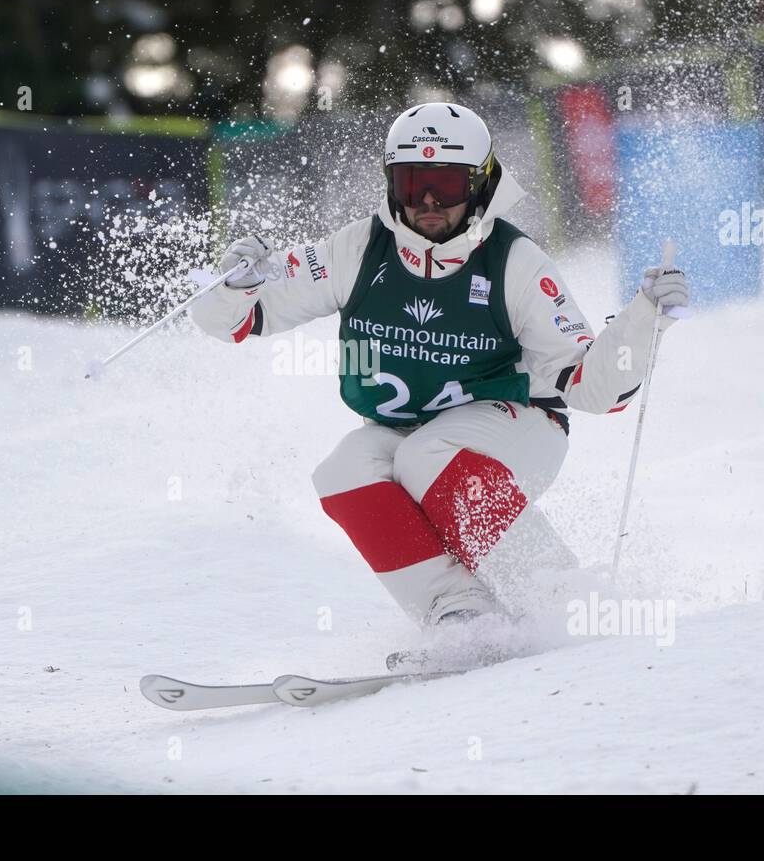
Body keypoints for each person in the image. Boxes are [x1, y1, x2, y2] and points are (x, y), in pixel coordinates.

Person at [191, 102, 687, 629]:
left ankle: (555, 597)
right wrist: (236, 288)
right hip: (405, 428)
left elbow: (593, 390)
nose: (428, 201)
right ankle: (458, 609)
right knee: (342, 473)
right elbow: (236, 321)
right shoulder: (358, 248)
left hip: (521, 424)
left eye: (446, 186)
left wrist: (642, 320)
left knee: (428, 454)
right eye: (411, 183)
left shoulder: (515, 262)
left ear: (480, 185)